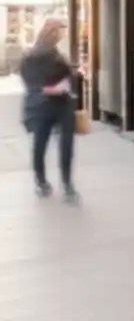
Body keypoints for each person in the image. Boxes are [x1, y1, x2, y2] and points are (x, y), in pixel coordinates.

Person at [19, 19, 78, 202]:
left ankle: (61, 182)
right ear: (49, 33)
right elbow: (31, 83)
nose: (60, 35)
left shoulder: (56, 54)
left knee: (61, 144)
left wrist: (70, 79)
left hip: (61, 104)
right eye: (58, 31)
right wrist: (49, 89)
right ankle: (45, 181)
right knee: (42, 143)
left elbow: (68, 75)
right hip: (43, 105)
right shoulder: (33, 56)